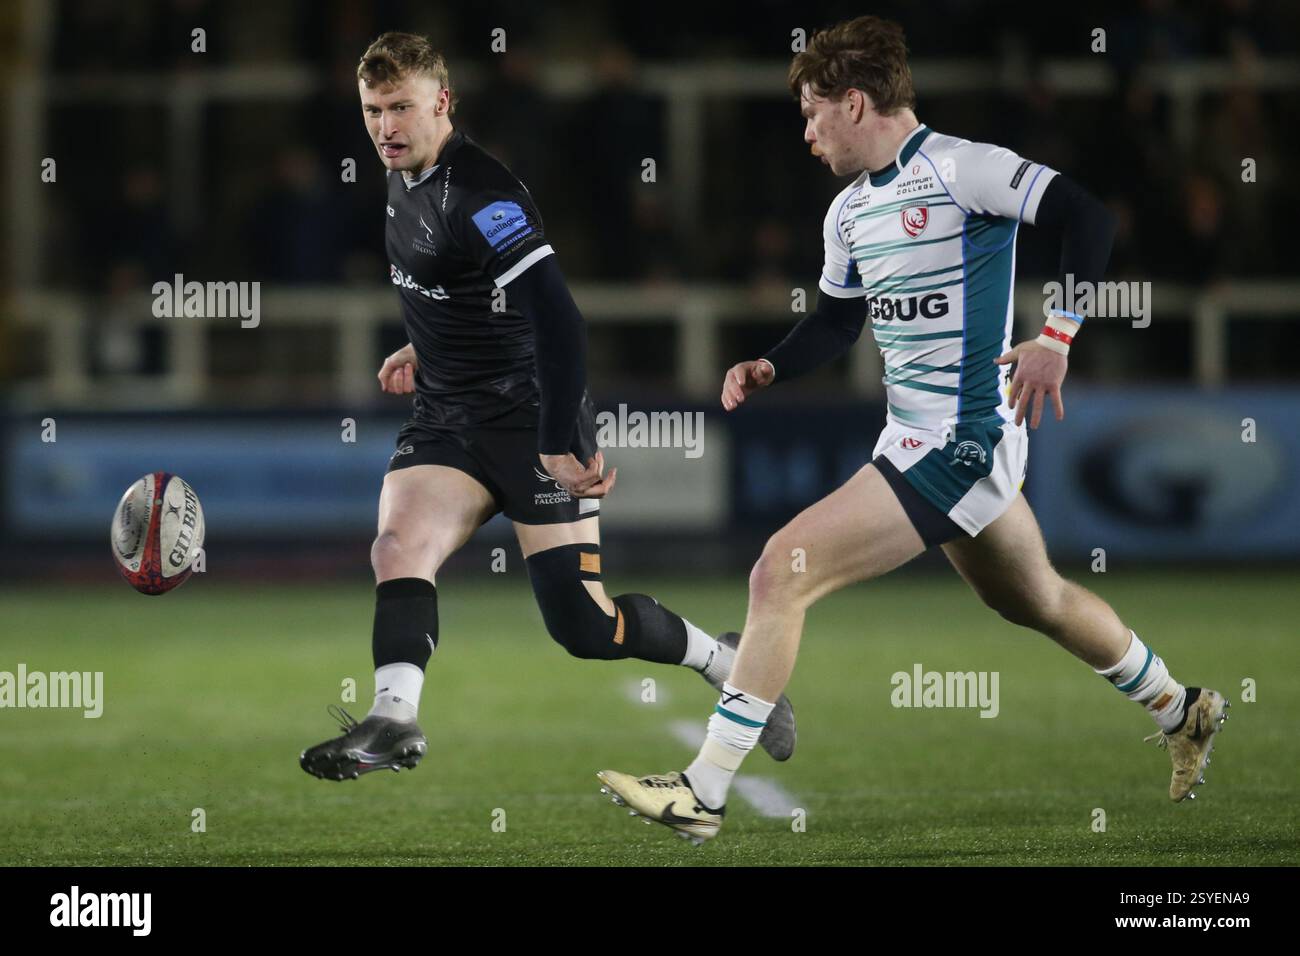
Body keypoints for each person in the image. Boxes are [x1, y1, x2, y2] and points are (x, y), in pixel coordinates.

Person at [595, 15, 1226, 844]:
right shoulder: (849, 213)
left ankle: (704, 792)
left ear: (855, 103)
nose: (808, 134)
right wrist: (771, 366)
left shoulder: (964, 169)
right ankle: (1183, 707)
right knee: (1037, 600)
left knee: (780, 572)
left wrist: (1059, 334)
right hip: (910, 439)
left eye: (814, 114)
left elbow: (1089, 218)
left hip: (964, 438)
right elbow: (835, 323)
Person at [299, 33, 797, 782]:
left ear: (443, 102)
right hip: (446, 420)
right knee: (398, 549)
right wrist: (425, 348)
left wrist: (560, 438)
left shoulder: (481, 193)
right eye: (373, 110)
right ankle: (393, 717)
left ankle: (724, 660)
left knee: (585, 626)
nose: (385, 127)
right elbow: (460, 291)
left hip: (528, 421)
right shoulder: (402, 177)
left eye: (401, 107)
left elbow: (559, 319)